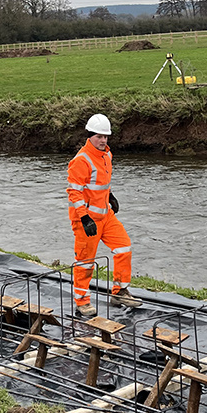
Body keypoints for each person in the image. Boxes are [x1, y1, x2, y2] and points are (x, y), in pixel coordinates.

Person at [66, 113, 142, 318]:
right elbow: (75, 192)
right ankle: (82, 301)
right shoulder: (81, 160)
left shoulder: (107, 155)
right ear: (90, 136)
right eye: (99, 136)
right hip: (87, 220)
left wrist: (110, 196)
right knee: (85, 262)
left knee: (124, 247)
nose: (103, 140)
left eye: (106, 137)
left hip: (105, 216)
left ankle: (119, 292)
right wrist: (84, 217)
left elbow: (100, 183)